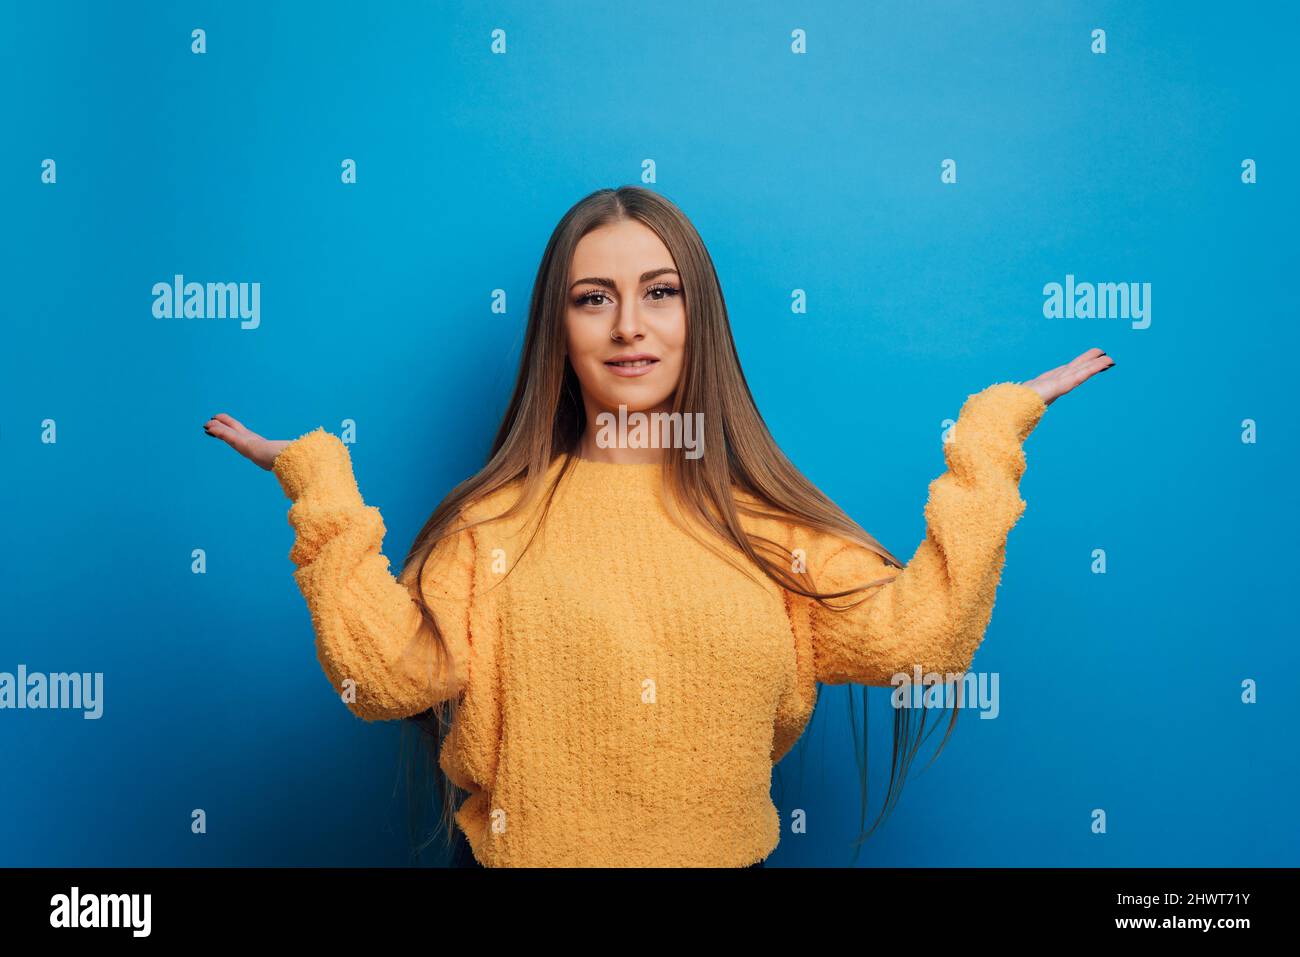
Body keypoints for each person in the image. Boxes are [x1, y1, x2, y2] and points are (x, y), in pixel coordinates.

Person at [204, 186, 1114, 868]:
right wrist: (318, 485)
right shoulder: (493, 524)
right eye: (593, 297)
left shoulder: (768, 530)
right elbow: (382, 676)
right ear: (557, 329)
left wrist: (990, 436)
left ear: (697, 316)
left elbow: (930, 637)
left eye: (660, 293)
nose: (629, 327)